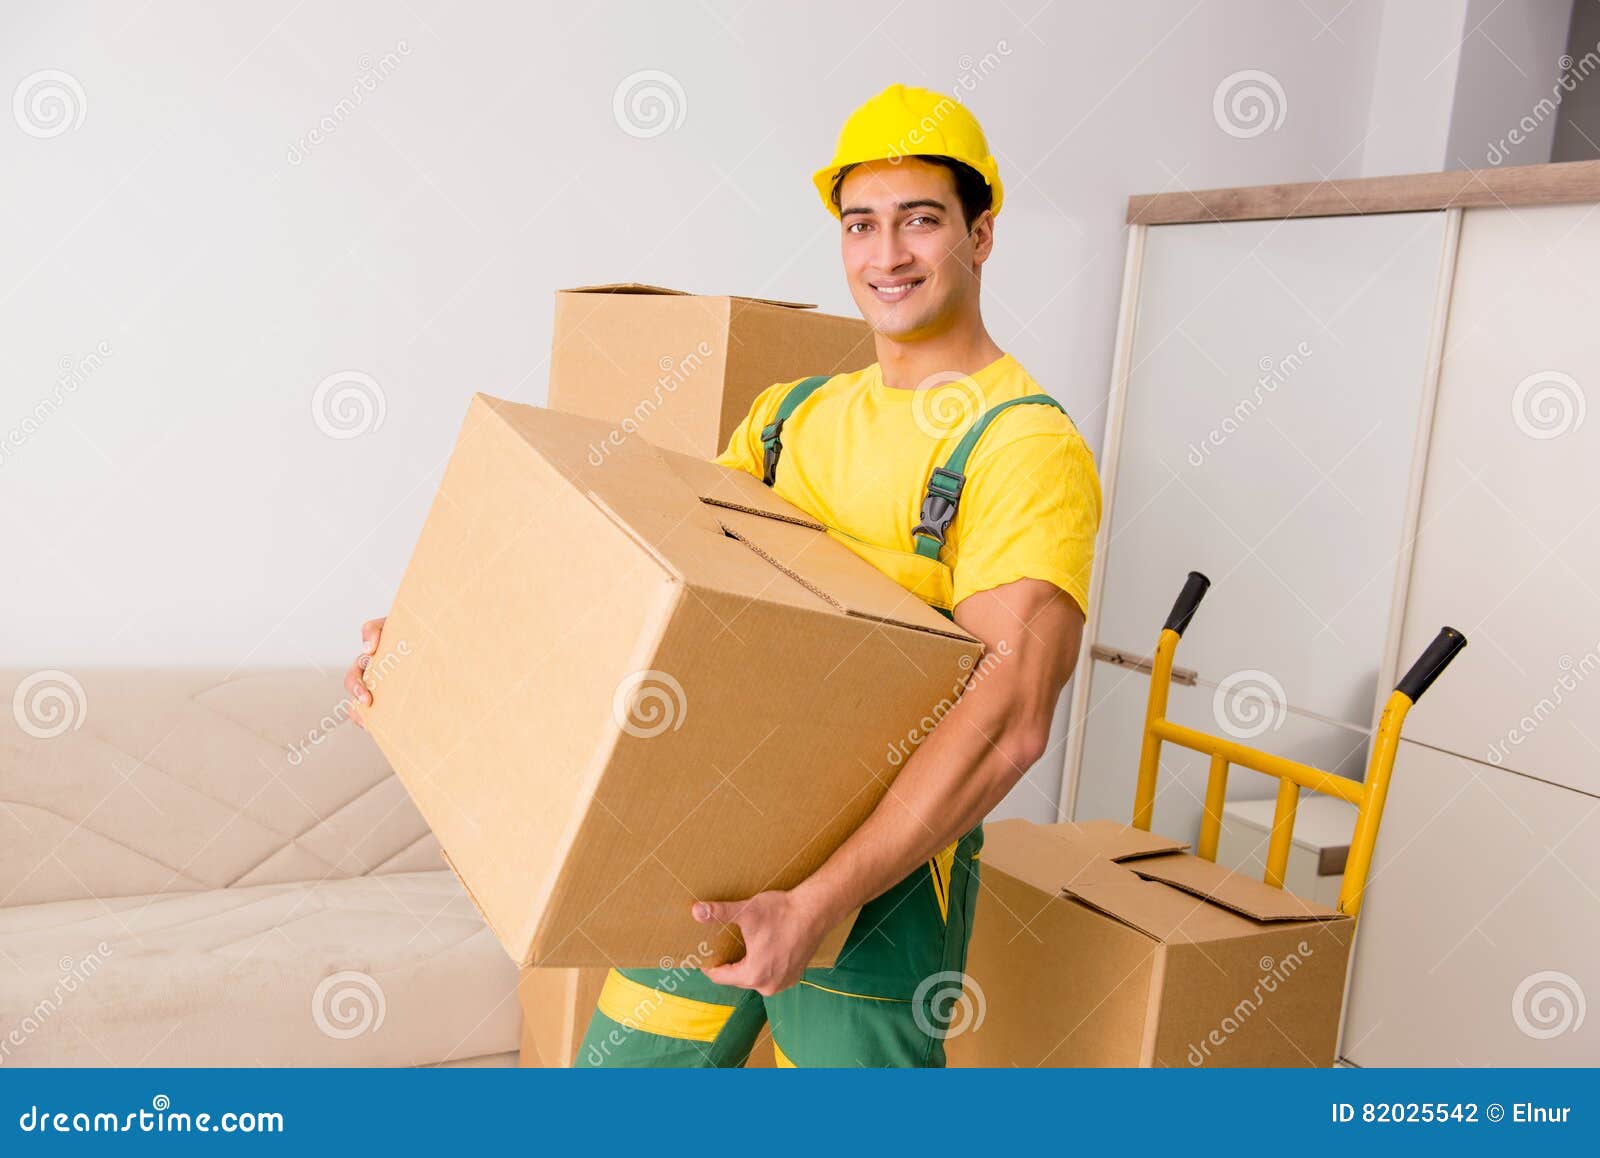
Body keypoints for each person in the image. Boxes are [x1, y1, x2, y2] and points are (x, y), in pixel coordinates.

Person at [345, 83, 1101, 1067]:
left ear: (981, 233)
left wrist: (824, 897)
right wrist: (437, 649)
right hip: (703, 841)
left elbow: (1008, 719)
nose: (887, 255)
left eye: (921, 221)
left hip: (880, 887)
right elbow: (642, 594)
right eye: (861, 224)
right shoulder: (789, 418)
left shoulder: (1023, 446)